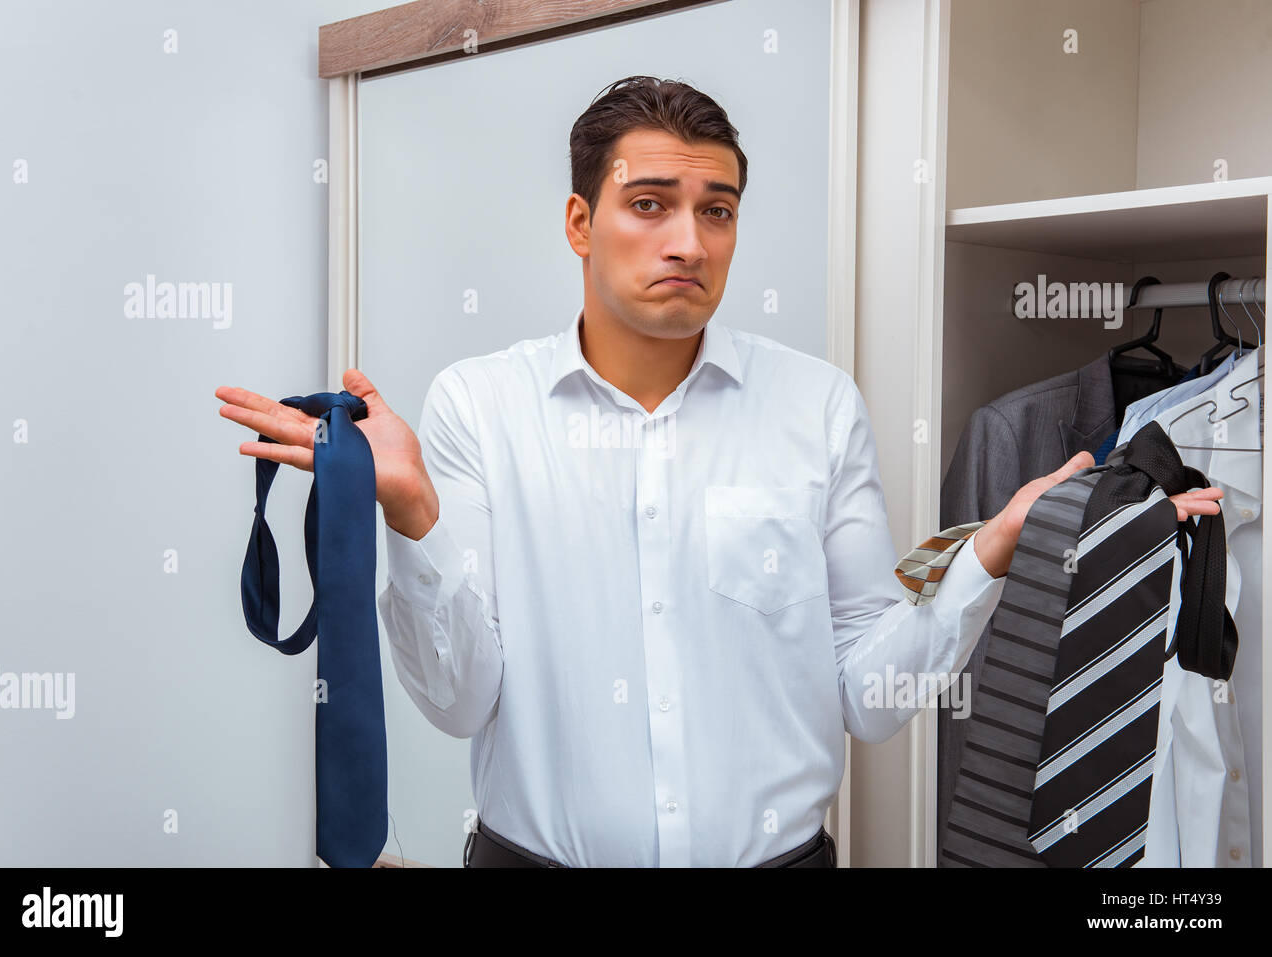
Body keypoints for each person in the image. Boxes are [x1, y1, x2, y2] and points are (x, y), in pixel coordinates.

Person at [216, 76, 1223, 868]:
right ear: (579, 223)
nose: (687, 242)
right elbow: (459, 702)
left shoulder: (817, 407)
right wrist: (416, 521)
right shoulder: (480, 406)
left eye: (717, 211)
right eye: (648, 204)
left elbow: (870, 697)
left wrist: (989, 559)